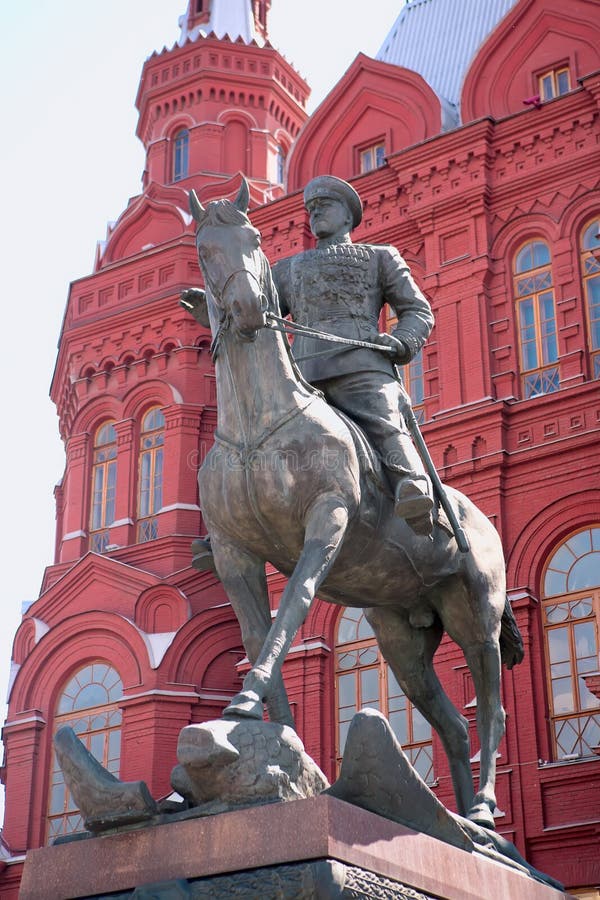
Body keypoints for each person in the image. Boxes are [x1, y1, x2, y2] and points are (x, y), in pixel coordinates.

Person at [272, 175, 435, 531]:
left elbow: (418, 311)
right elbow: (254, 309)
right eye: (311, 209)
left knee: (381, 416)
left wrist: (402, 341)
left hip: (360, 364)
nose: (315, 214)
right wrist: (213, 305)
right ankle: (243, 517)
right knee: (264, 436)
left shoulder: (379, 258)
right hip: (301, 377)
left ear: (347, 215)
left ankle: (411, 484)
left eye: (324, 206)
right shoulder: (287, 269)